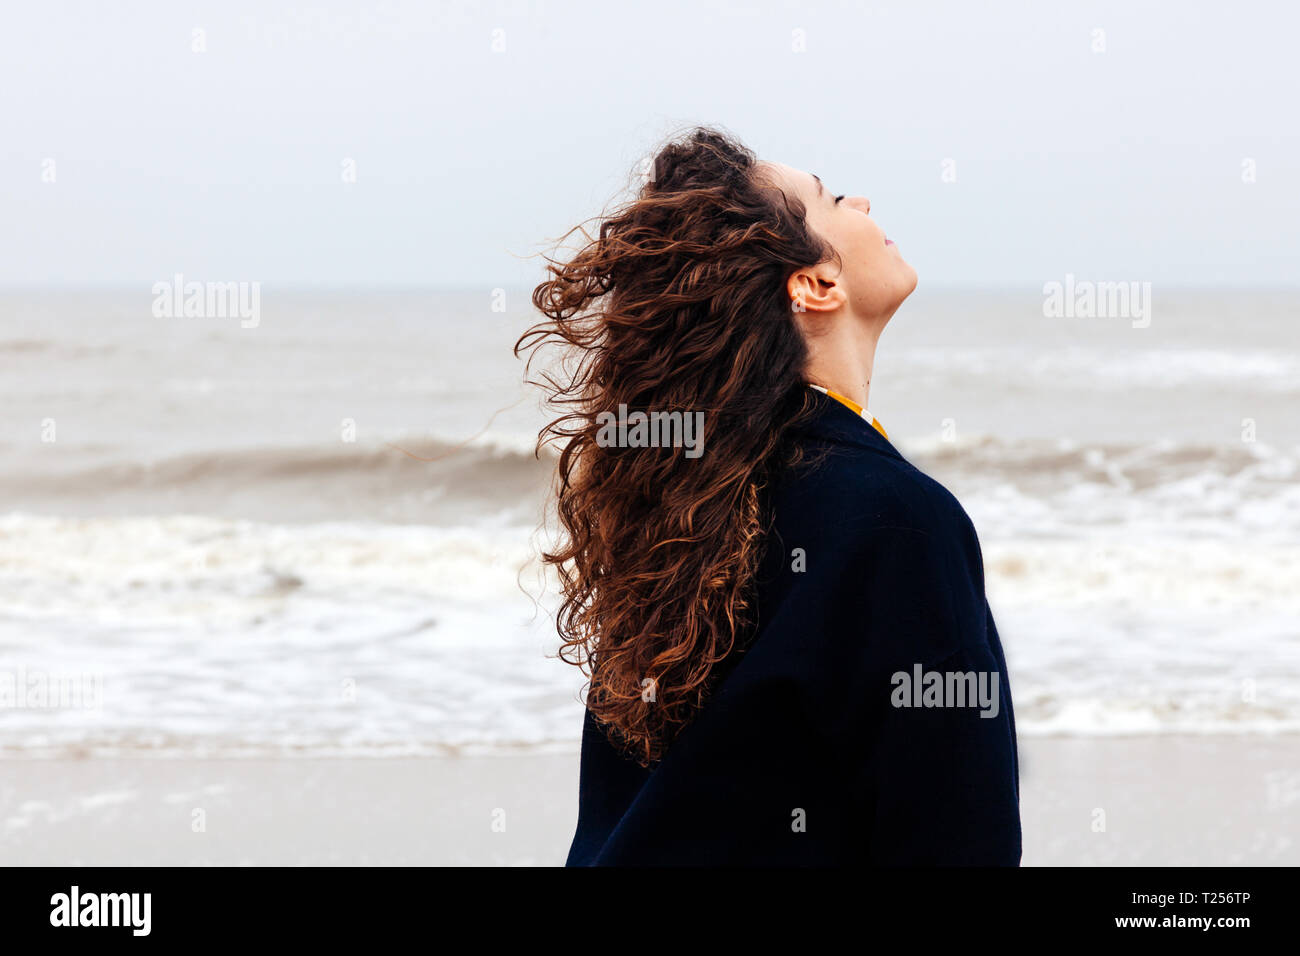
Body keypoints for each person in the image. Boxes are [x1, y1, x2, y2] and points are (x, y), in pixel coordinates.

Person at [517, 126, 1021, 865]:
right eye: (833, 196)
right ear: (814, 284)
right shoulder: (897, 520)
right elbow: (956, 837)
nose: (865, 200)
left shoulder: (680, 503)